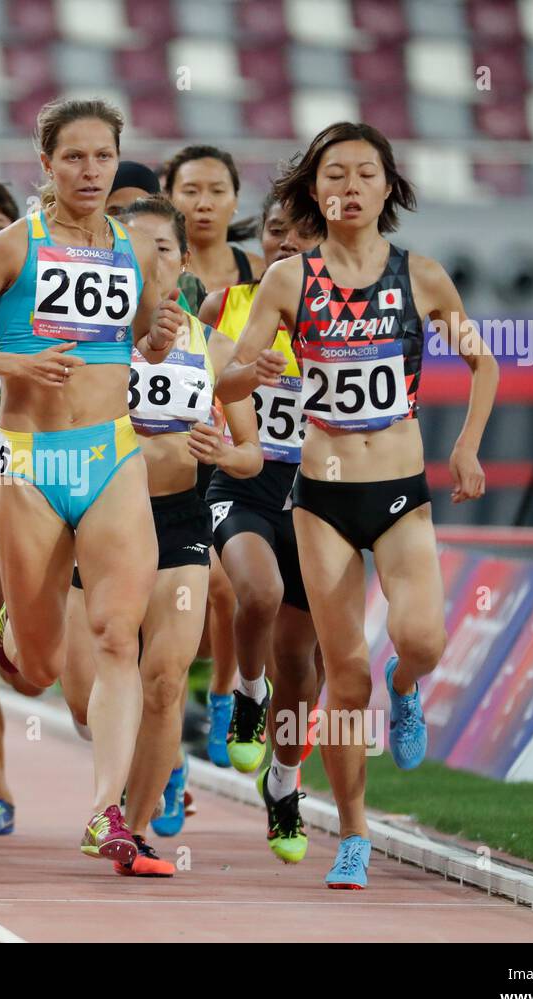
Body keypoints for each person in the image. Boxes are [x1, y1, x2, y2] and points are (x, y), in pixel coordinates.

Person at [216, 122, 498, 888]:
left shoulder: (423, 276)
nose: (347, 186)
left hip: (402, 493)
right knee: (345, 676)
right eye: (332, 174)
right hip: (322, 499)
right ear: (314, 189)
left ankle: (408, 690)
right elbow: (228, 381)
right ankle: (352, 833)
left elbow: (484, 360)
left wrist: (466, 446)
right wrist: (254, 368)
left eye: (363, 174)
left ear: (386, 187)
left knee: (423, 644)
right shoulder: (287, 281)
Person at [0, 97, 185, 867]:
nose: (91, 170)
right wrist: (15, 363)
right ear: (47, 164)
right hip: (28, 463)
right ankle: (11, 634)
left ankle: (107, 814)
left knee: (114, 635)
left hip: (112, 455)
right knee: (36, 668)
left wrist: (157, 336)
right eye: (75, 157)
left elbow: (139, 344)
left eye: (104, 156)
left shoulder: (135, 250)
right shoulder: (12, 245)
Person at [60, 195, 262, 873]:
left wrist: (220, 453)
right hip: (103, 519)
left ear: (181, 261)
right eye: (137, 246)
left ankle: (131, 826)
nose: (151, 259)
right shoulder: (94, 337)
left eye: (164, 248)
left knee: (166, 679)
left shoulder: (214, 345)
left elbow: (251, 455)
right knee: (84, 693)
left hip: (180, 520)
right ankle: (111, 800)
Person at [199, 190, 323, 862]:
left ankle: (282, 786)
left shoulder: (346, 318)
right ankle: (247, 689)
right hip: (246, 481)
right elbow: (200, 379)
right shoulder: (228, 305)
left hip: (318, 498)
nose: (288, 245)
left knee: (303, 671)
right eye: (277, 231)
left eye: (306, 235)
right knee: (257, 592)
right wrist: (245, 375)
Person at [163, 144, 265, 312]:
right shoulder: (155, 273)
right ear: (169, 198)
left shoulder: (261, 274)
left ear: (235, 200)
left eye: (217, 191)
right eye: (191, 191)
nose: (204, 204)